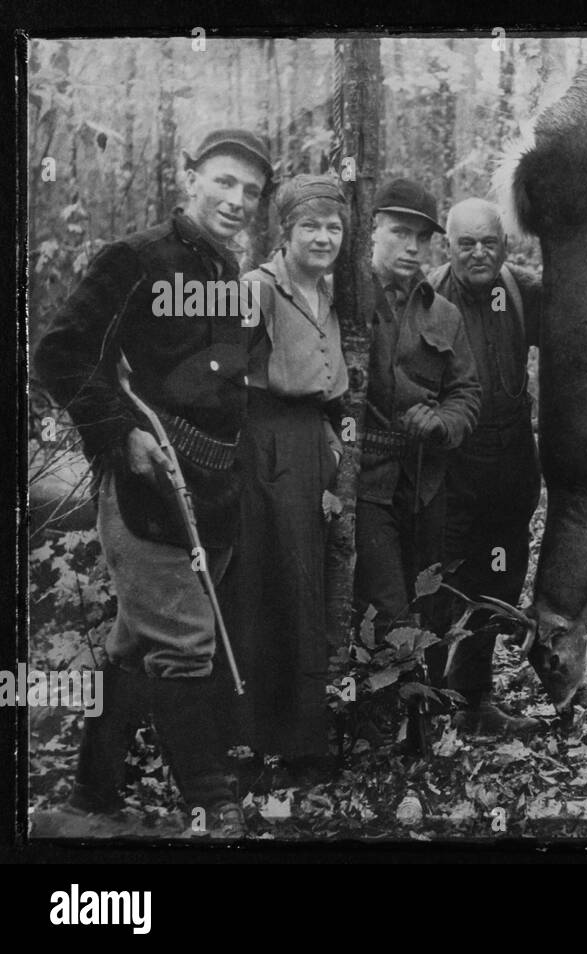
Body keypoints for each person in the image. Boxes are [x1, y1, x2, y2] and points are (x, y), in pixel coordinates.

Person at [32, 128, 274, 838]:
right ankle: (213, 802)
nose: (236, 200)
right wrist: (118, 433)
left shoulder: (229, 270)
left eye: (250, 192)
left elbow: (221, 385)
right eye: (224, 182)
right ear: (189, 176)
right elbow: (60, 352)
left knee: (137, 648)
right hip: (147, 488)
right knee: (185, 646)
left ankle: (89, 801)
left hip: (215, 488)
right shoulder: (135, 258)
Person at [220, 175, 349, 783]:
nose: (323, 238)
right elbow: (218, 375)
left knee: (306, 593)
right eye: (310, 227)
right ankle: (252, 745)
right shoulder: (258, 290)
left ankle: (300, 739)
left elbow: (331, 398)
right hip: (263, 448)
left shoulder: (325, 295)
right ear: (285, 231)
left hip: (309, 445)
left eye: (334, 227)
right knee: (267, 591)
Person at [427, 198, 543, 737]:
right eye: (465, 243)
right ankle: (430, 705)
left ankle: (475, 702)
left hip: (513, 469)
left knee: (500, 581)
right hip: (451, 472)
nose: (478, 253)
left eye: (488, 243)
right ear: (447, 246)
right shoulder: (425, 297)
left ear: (505, 245)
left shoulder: (521, 291)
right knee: (447, 583)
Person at [354, 178, 480, 644]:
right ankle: (380, 713)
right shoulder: (343, 295)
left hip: (424, 482)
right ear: (371, 231)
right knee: (387, 611)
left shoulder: (442, 312)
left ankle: (419, 712)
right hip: (361, 479)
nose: (412, 247)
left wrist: (442, 422)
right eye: (398, 233)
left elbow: (466, 393)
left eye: (422, 237)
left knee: (427, 606)